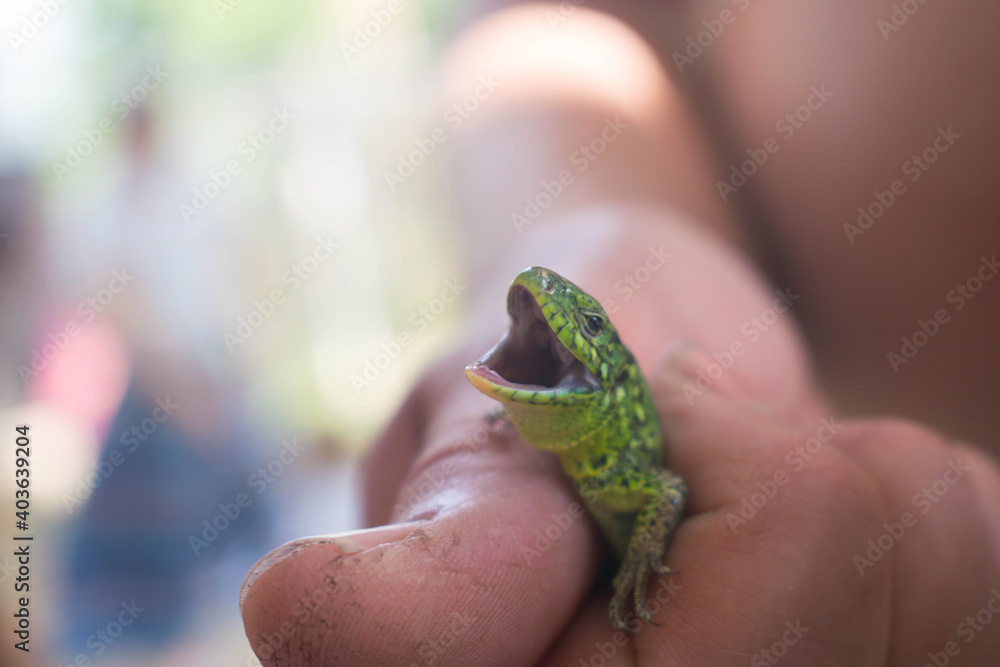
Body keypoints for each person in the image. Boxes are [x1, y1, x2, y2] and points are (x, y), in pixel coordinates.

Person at [240, 2, 1000, 664]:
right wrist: (601, 227)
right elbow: (555, 20)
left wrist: (642, 559)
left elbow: (666, 491)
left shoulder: (622, 459)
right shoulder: (579, 432)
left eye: (592, 324)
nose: (554, 311)